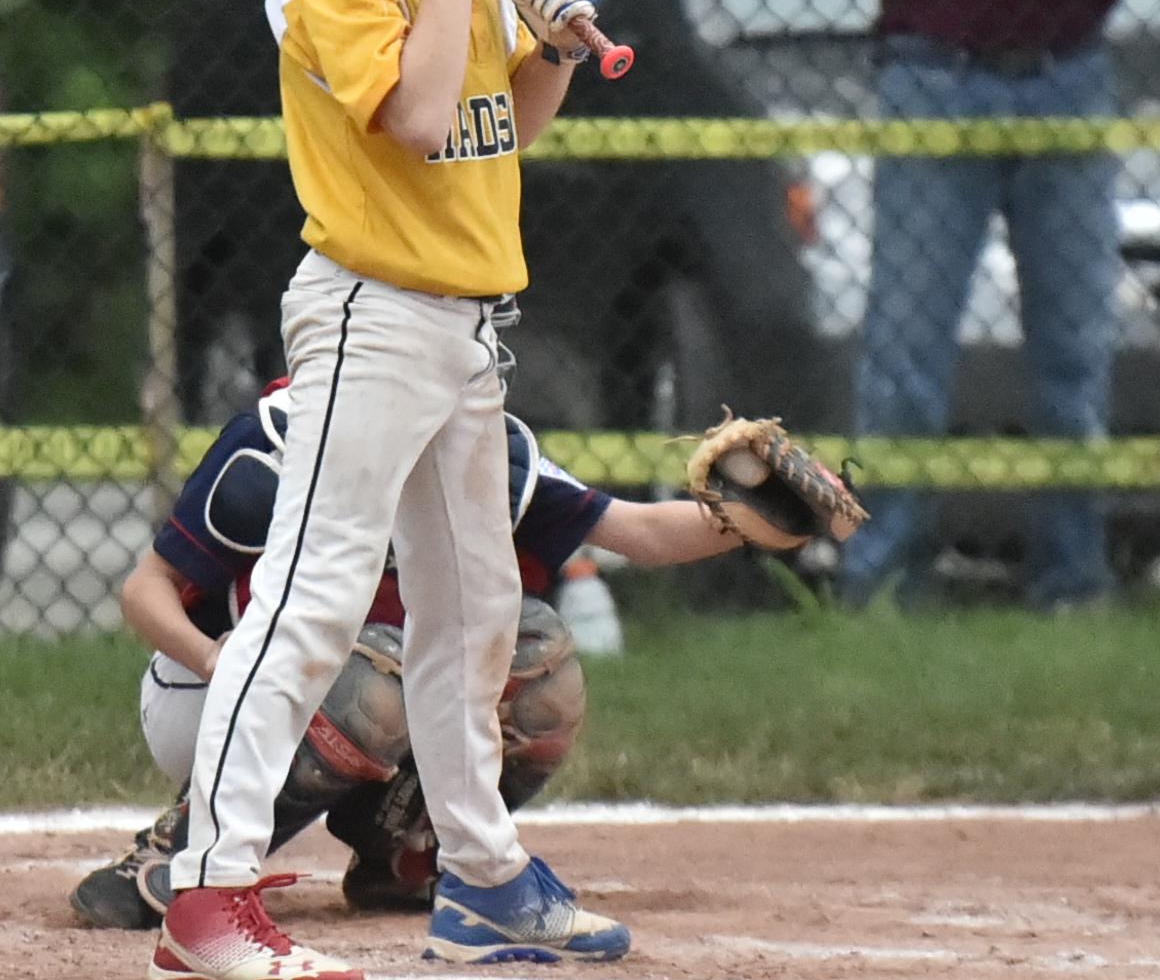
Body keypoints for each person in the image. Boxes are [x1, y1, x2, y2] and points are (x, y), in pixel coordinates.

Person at [150, 0, 628, 980]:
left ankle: (477, 870)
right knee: (310, 603)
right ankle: (208, 890)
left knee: (478, 608)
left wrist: (549, 46)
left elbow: (504, 131)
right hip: (370, 312)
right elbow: (416, 122)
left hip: (465, 320)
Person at [70, 377, 747, 931]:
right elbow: (144, 590)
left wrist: (758, 516)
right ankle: (182, 848)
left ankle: (397, 842)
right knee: (371, 674)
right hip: (210, 692)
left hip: (372, 681)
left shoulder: (476, 443)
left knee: (534, 658)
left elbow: (642, 532)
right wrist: (221, 661)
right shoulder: (278, 444)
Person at [827, 0, 1160, 612]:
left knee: (1074, 349)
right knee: (906, 348)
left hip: (1066, 81)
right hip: (935, 78)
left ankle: (1073, 579)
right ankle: (880, 579)